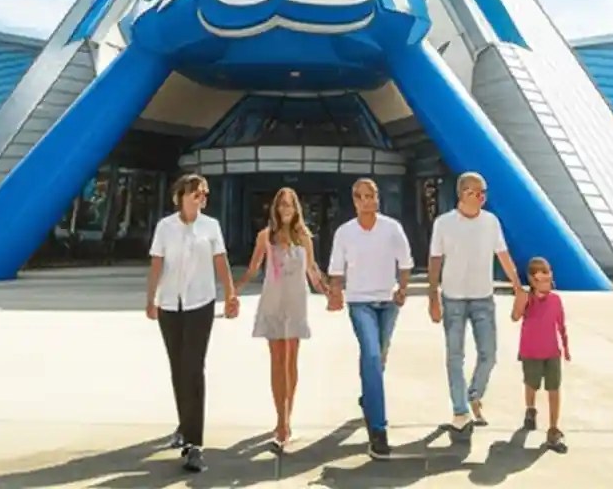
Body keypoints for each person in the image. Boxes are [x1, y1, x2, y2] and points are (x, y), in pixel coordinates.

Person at [145, 173, 240, 473]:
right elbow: (157, 262)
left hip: (200, 302)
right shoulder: (165, 227)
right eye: (196, 193)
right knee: (178, 368)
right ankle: (185, 425)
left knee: (193, 368)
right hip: (170, 305)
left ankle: (194, 444)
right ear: (181, 197)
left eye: (204, 194)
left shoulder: (211, 226)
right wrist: (151, 298)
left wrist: (231, 293)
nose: (201, 198)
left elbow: (220, 260)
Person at [427, 171, 525, 438]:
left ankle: (474, 394)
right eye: (476, 192)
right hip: (453, 299)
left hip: (483, 298)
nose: (482, 197)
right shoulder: (444, 223)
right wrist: (433, 296)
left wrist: (518, 287)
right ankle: (460, 411)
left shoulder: (491, 222)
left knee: (489, 354)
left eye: (484, 192)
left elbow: (503, 254)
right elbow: (435, 260)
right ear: (462, 193)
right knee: (455, 356)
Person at [326, 177, 413, 460]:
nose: (367, 201)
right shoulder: (345, 233)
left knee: (379, 358)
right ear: (354, 201)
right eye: (361, 196)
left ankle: (369, 398)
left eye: (371, 195)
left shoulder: (392, 228)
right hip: (359, 302)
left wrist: (403, 288)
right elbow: (336, 270)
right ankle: (378, 430)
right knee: (372, 356)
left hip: (388, 302)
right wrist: (335, 294)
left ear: (378, 198)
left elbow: (406, 262)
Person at [235, 187, 326, 450]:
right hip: (273, 302)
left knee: (291, 360)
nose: (285, 209)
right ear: (275, 208)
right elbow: (253, 269)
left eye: (290, 204)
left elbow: (312, 270)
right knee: (277, 359)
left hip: (296, 302)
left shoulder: (304, 237)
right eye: (281, 204)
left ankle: (287, 416)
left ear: (296, 208)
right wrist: (233, 292)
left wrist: (329, 291)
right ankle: (280, 419)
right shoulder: (265, 236)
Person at [511, 256, 570, 453]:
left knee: (554, 389)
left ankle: (553, 429)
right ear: (532, 280)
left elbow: (561, 324)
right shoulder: (527, 299)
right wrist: (519, 300)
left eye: (547, 274)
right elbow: (515, 317)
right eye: (539, 276)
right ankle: (530, 409)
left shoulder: (556, 300)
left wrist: (566, 347)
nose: (544, 279)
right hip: (530, 352)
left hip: (552, 352)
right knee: (531, 384)